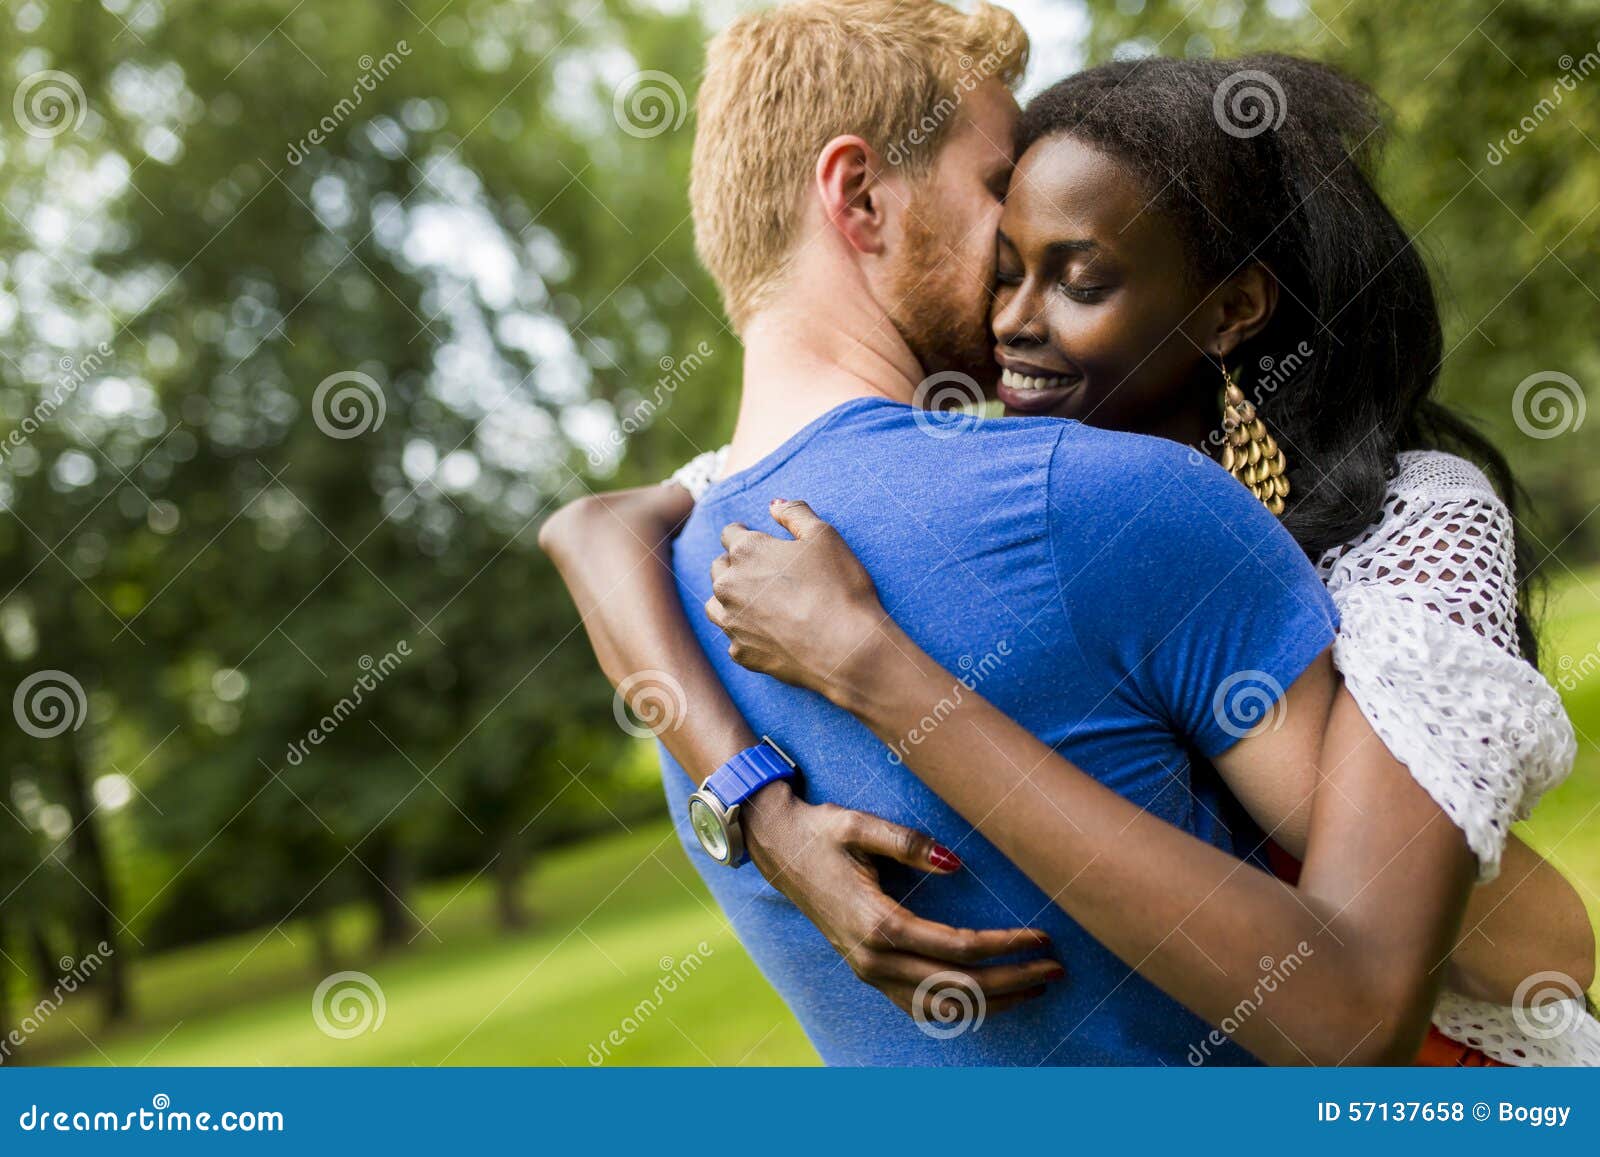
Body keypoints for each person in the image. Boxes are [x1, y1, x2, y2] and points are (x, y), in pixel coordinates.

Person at [542, 4, 1596, 1065]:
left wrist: (787, 769)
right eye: (998, 189)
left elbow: (1526, 951)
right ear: (859, 196)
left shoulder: (685, 565)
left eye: (1074, 270)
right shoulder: (1109, 502)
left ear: (1231, 306)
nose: (1012, 302)